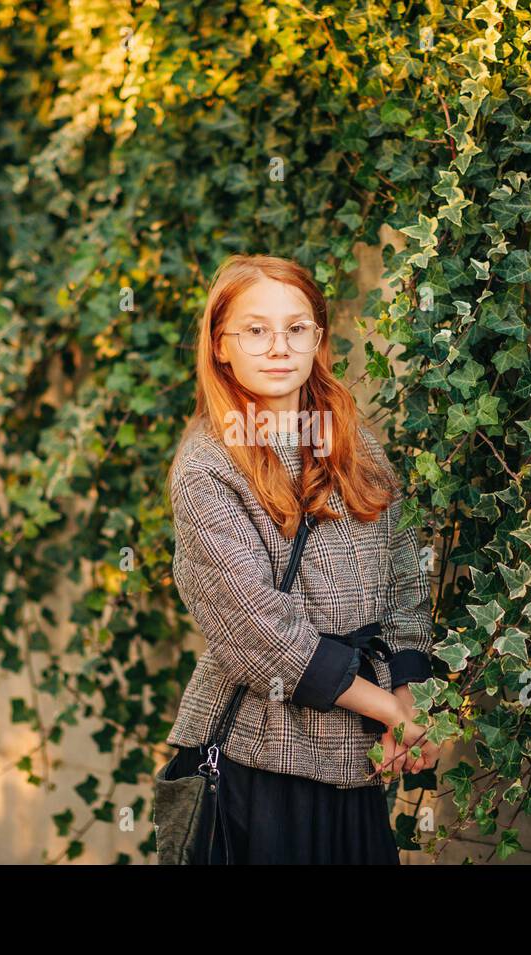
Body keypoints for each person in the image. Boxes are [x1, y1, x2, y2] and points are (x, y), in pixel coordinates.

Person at [160, 253, 441, 864]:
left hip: (357, 759)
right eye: (255, 329)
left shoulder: (356, 447)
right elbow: (259, 625)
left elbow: (407, 576)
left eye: (296, 328)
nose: (278, 346)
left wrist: (411, 697)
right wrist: (388, 707)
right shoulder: (207, 466)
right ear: (220, 346)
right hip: (256, 760)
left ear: (318, 338)